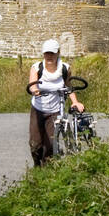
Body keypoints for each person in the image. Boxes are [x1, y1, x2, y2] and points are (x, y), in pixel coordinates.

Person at [28, 38, 84, 167]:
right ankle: (37, 165)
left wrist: (75, 102)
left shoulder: (65, 68)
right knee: (35, 144)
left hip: (55, 110)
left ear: (58, 53)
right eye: (47, 53)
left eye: (52, 53)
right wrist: (35, 90)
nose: (49, 56)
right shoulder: (37, 68)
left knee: (50, 146)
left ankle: (47, 173)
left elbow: (68, 87)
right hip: (38, 109)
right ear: (43, 54)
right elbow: (32, 84)